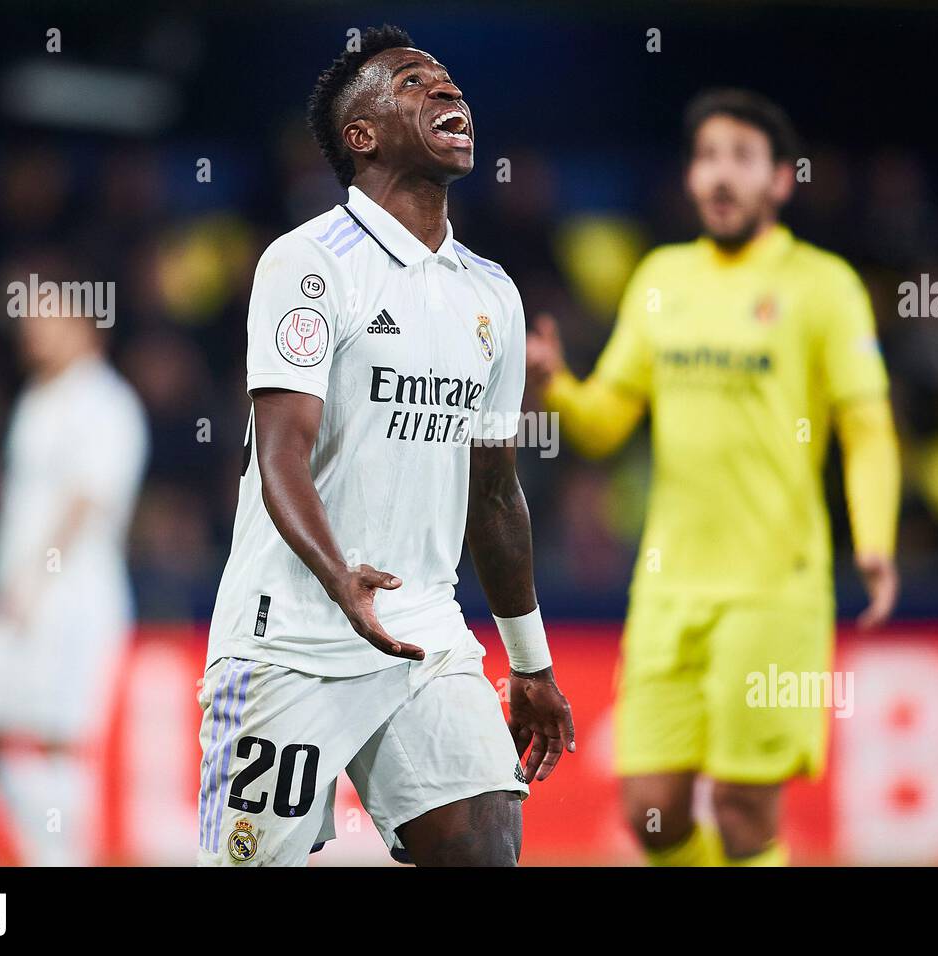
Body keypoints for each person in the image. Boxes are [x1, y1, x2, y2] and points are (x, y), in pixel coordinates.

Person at [197, 25, 575, 867]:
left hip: (423, 633)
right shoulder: (307, 264)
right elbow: (279, 456)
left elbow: (494, 493)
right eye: (415, 82)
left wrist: (531, 665)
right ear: (360, 135)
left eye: (451, 84)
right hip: (289, 637)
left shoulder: (492, 293)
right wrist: (340, 579)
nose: (449, 94)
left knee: (482, 853)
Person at [527, 89, 900, 866]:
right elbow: (605, 422)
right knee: (651, 812)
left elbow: (866, 428)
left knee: (740, 812)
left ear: (780, 180)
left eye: (740, 158)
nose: (720, 176)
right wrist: (555, 384)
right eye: (707, 158)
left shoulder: (821, 285)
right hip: (668, 592)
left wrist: (874, 540)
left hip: (773, 590)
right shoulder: (663, 277)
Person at [0, 301, 148, 866]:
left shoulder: (107, 403)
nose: (34, 334)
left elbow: (87, 500)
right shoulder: (36, 399)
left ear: (86, 328)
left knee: (59, 737)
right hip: (15, 591)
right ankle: (46, 846)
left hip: (75, 594)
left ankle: (63, 856)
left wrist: (37, 578)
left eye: (50, 322)